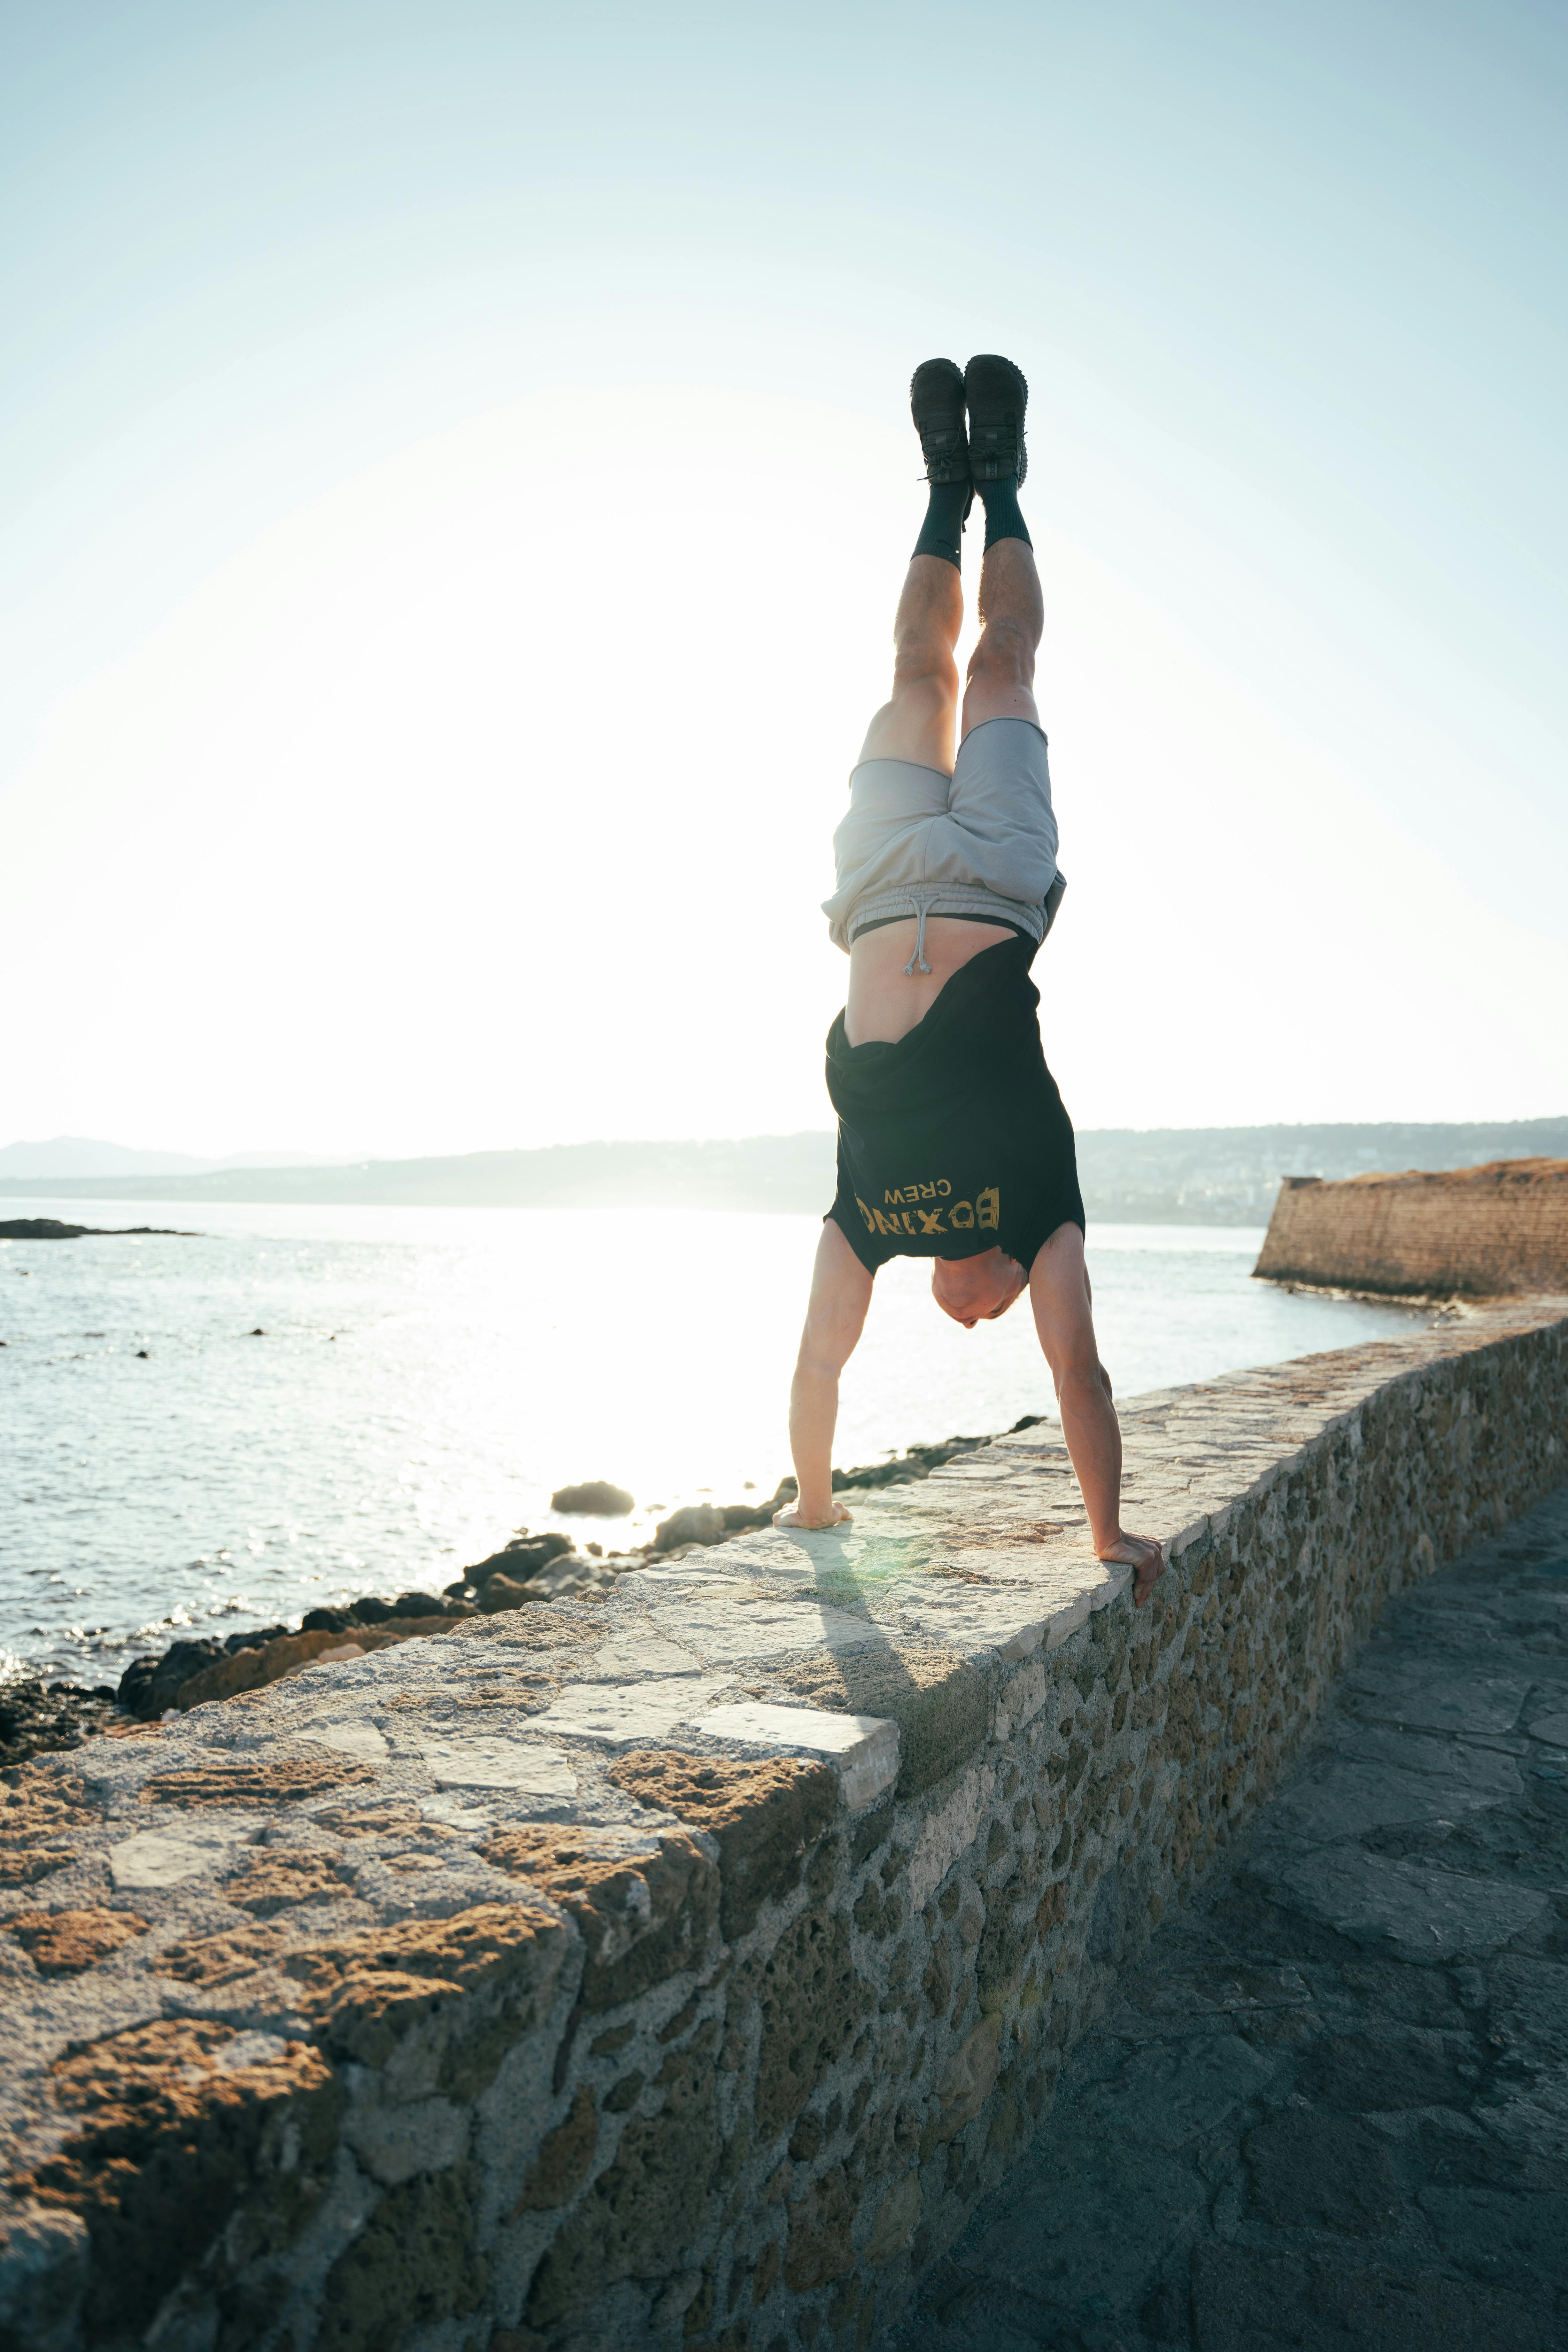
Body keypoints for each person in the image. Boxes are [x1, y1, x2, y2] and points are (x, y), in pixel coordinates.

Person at [775, 353, 1165, 1606]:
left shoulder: (872, 1219)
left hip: (880, 882)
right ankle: (1004, 488)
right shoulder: (1042, 1208)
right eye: (991, 1318)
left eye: (968, 1317)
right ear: (1002, 1282)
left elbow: (820, 1365)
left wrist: (820, 1500)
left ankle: (945, 490)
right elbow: (1082, 1379)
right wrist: (1108, 1533)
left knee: (913, 676)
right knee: (1000, 667)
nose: (967, 1318)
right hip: (998, 876)